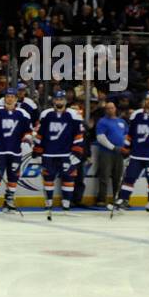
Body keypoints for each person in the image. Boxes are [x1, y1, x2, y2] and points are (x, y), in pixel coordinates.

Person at [34, 88, 85, 219]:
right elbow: (40, 134)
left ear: (66, 101)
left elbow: (78, 136)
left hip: (66, 154)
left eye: (61, 99)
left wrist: (77, 152)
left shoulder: (73, 115)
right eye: (57, 99)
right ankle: (49, 203)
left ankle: (66, 205)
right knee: (48, 178)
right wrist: (38, 150)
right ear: (53, 101)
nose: (59, 101)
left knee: (68, 178)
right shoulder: (46, 114)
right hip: (48, 154)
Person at [0, 87, 32, 213]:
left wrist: (27, 141)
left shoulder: (23, 114)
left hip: (15, 151)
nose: (10, 99)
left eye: (12, 97)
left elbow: (28, 132)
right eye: (7, 96)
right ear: (4, 98)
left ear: (16, 99)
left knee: (13, 178)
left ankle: (9, 201)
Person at [92, 101, 128, 209]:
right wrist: (113, 147)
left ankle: (118, 199)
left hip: (120, 152)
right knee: (104, 175)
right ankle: (101, 199)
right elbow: (100, 137)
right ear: (105, 110)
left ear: (115, 109)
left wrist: (126, 147)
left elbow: (126, 135)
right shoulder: (102, 122)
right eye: (108, 108)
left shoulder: (122, 122)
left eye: (112, 108)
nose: (110, 110)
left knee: (118, 177)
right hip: (106, 152)